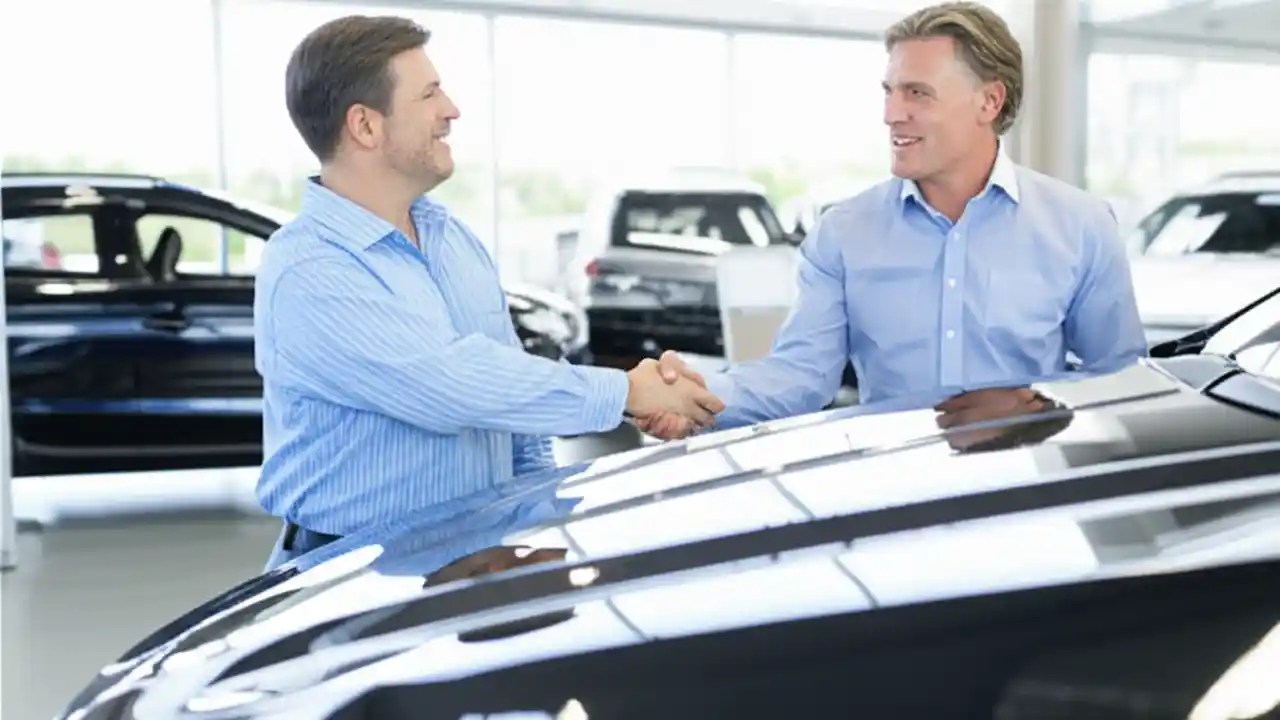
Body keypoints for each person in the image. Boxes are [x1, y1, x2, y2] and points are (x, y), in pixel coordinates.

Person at [254, 15, 721, 569]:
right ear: (365, 126)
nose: (451, 110)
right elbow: (449, 384)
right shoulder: (309, 267)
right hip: (355, 571)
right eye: (429, 94)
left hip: (476, 556)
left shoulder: (453, 240)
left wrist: (540, 525)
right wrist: (627, 394)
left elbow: (509, 402)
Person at [642, 1, 1147, 439]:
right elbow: (799, 377)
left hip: (1033, 500)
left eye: (916, 93)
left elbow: (1127, 382)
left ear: (989, 101)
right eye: (889, 91)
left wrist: (1039, 404)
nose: (890, 113)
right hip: (891, 497)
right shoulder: (843, 233)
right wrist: (692, 397)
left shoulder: (1081, 226)